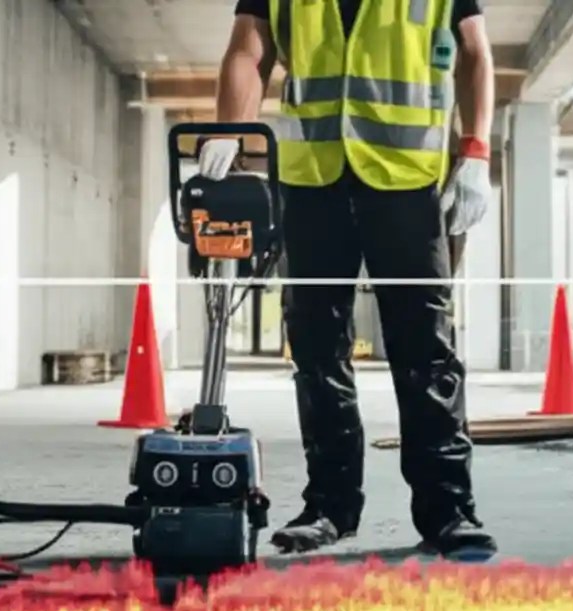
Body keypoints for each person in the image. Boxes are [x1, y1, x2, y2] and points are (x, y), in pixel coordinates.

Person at [200, 0, 497, 559]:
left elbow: (475, 53)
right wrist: (228, 130)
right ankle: (329, 508)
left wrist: (475, 151)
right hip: (313, 180)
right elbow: (248, 49)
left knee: (426, 350)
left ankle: (449, 511)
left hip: (406, 181)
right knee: (315, 348)